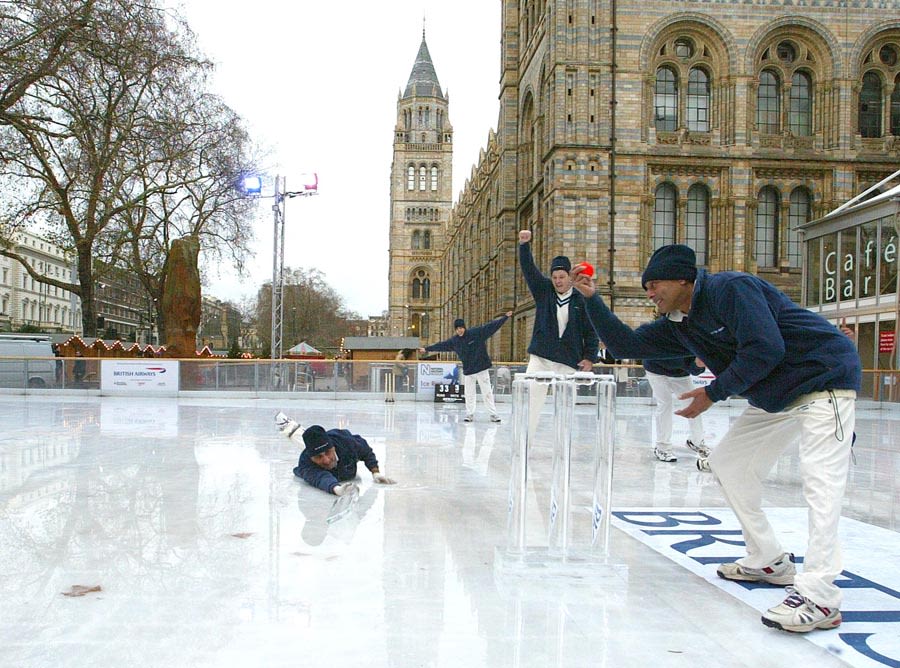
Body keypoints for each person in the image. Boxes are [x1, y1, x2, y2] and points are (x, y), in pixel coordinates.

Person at [572, 244, 860, 634]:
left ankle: (821, 597)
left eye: (654, 284)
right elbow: (626, 346)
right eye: (646, 287)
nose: (649, 293)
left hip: (824, 380)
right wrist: (591, 299)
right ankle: (769, 560)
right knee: (728, 465)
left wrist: (713, 393)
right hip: (777, 395)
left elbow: (766, 348)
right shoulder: (682, 324)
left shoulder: (731, 290)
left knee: (821, 484)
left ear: (683, 279)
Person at [518, 230, 599, 437]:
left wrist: (590, 357)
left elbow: (591, 330)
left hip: (567, 360)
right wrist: (524, 245)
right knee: (530, 403)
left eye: (562, 276)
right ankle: (524, 443)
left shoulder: (581, 299)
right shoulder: (544, 291)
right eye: (554, 277)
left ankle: (563, 446)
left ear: (570, 277)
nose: (558, 281)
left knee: (565, 407)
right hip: (541, 357)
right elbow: (529, 270)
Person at [418, 312, 512, 423]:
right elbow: (442, 345)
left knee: (487, 392)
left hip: (481, 368)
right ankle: (470, 414)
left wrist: (505, 317)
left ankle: (493, 414)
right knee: (469, 393)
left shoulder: (476, 333)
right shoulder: (455, 341)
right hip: (469, 371)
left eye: (461, 328)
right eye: (458, 329)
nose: (460, 330)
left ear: (464, 327)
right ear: (455, 330)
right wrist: (427, 349)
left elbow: (491, 327)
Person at [275, 412, 397, 495]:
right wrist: (337, 489)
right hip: (308, 462)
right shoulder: (306, 462)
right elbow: (320, 478)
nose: (326, 460)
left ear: (333, 447)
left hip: (335, 440)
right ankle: (288, 427)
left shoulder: (346, 442)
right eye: (319, 457)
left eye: (328, 452)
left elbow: (365, 451)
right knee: (300, 440)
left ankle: (293, 428)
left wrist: (375, 472)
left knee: (313, 441)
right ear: (312, 458)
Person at [643, 355, 708, 463]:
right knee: (665, 403)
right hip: (655, 368)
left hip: (680, 372)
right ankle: (662, 446)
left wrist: (698, 365)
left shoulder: (694, 340)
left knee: (693, 403)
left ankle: (696, 441)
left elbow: (696, 368)